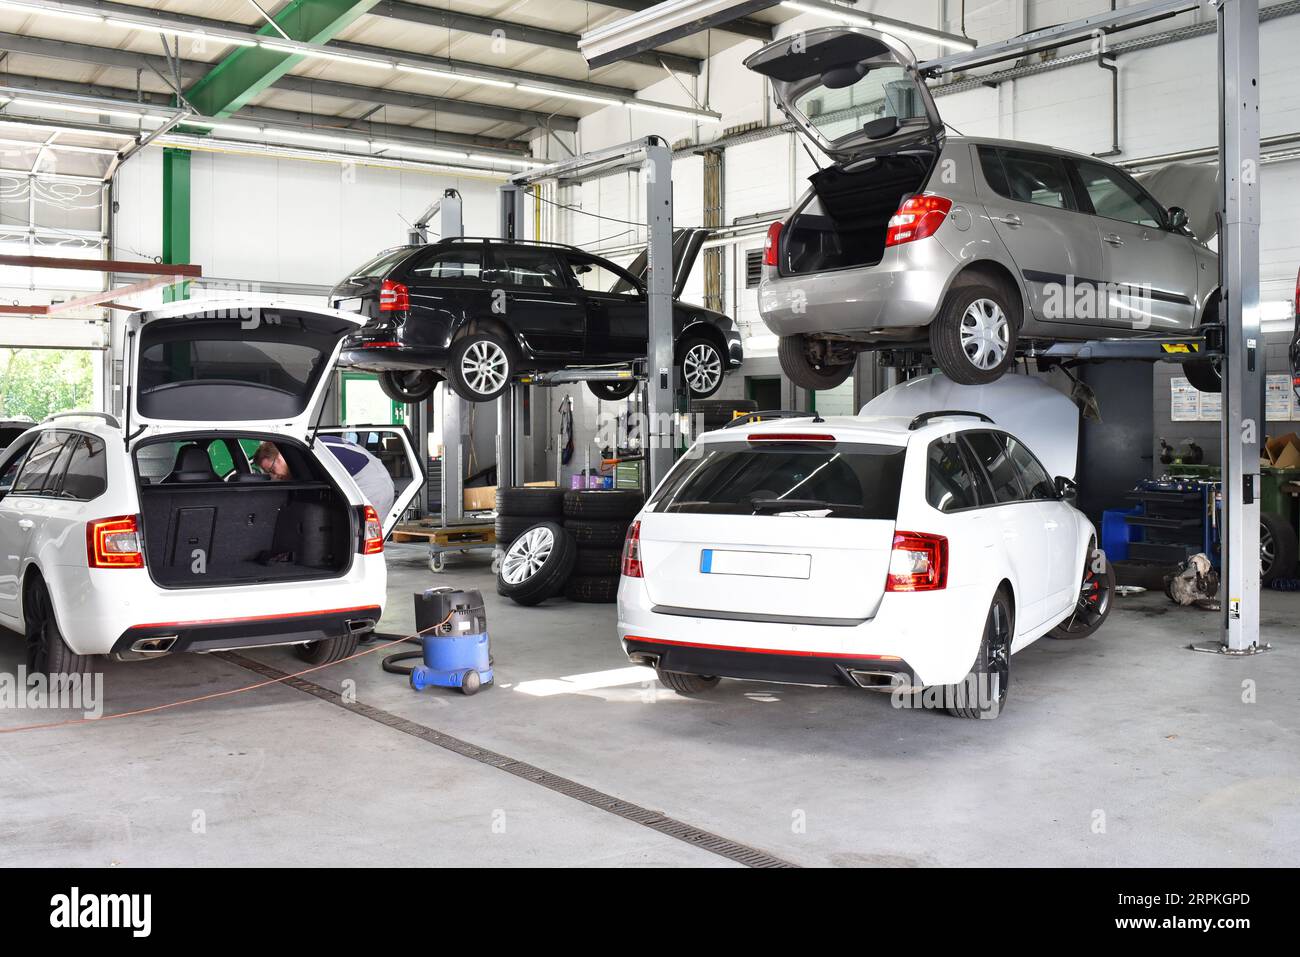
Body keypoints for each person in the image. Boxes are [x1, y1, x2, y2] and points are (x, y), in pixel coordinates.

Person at [254, 437, 396, 519]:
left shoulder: (306, 455)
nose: (274, 477)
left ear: (280, 456)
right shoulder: (302, 445)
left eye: (272, 470)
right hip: (370, 474)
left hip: (372, 485)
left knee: (361, 537)